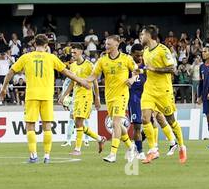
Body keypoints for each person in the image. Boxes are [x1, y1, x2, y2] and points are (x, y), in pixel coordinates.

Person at [0, 35, 93, 164]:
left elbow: (10, 72)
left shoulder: (26, 57)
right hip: (47, 96)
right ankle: (47, 156)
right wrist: (82, 81)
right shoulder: (51, 57)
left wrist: (3, 88)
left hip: (32, 95)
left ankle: (33, 156)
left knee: (30, 126)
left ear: (34, 44)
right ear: (47, 45)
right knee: (47, 126)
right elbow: (68, 73)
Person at [138, 25, 187, 164]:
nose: (141, 37)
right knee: (145, 118)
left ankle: (182, 147)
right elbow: (149, 71)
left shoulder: (163, 50)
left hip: (163, 91)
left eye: (142, 34)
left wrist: (154, 69)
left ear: (149, 35)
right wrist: (141, 72)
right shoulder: (146, 51)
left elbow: (172, 68)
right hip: (149, 90)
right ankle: (153, 150)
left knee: (171, 120)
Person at [90, 34, 136, 163]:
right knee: (118, 125)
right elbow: (92, 76)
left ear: (117, 44)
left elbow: (138, 71)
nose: (106, 46)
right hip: (109, 96)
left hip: (121, 95)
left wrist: (132, 78)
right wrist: (79, 80)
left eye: (109, 44)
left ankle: (113, 154)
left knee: (115, 123)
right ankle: (131, 146)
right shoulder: (102, 60)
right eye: (106, 44)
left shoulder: (126, 58)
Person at [58, 44, 103, 156]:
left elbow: (95, 83)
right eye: (72, 53)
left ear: (81, 52)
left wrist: (97, 98)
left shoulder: (89, 65)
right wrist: (64, 96)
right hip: (76, 97)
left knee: (78, 121)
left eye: (75, 52)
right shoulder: (72, 66)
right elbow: (72, 83)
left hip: (86, 97)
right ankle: (99, 138)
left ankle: (77, 149)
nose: (72, 55)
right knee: (79, 123)